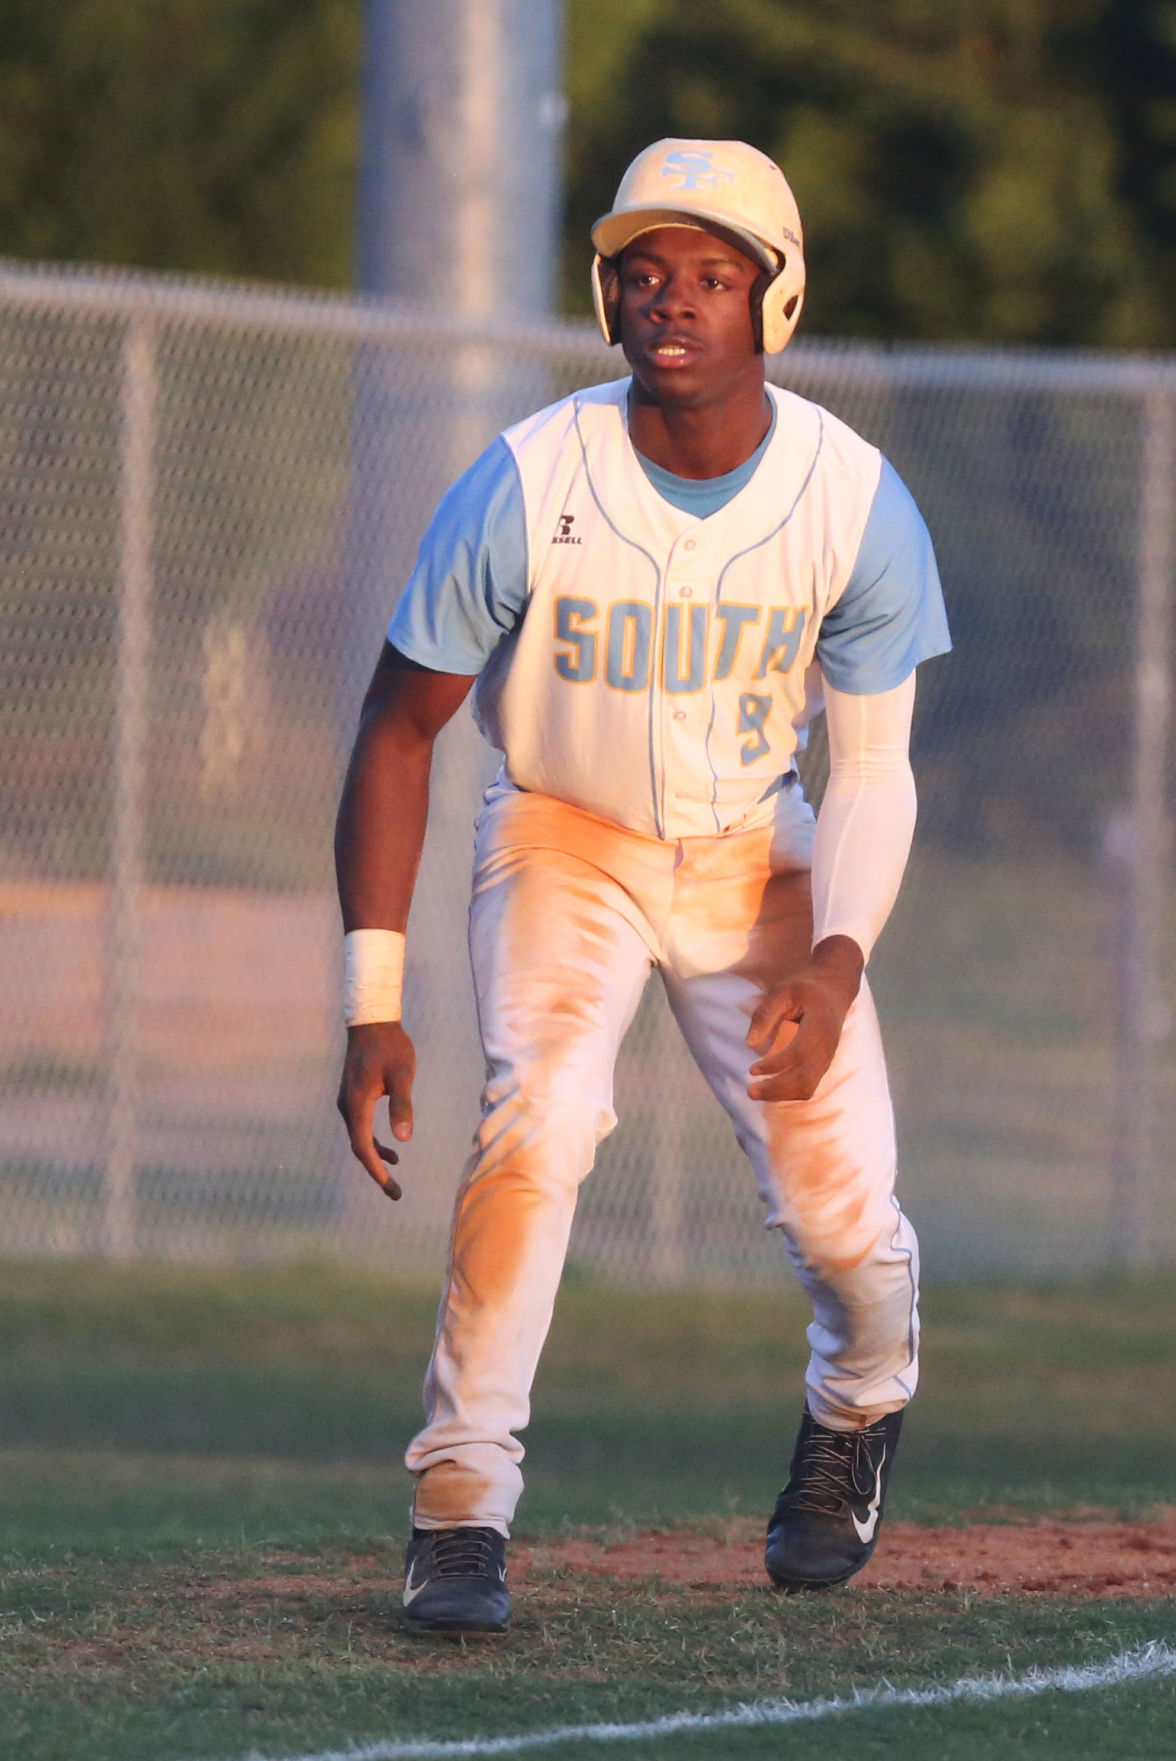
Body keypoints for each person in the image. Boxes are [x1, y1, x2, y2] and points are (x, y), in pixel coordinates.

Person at [335, 138, 950, 1636]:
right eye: (645, 272)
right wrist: (369, 1001)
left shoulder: (851, 498)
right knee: (537, 1111)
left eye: (715, 274)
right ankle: (460, 1504)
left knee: (843, 1222)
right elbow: (397, 727)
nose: (674, 298)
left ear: (775, 302)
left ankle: (861, 1399)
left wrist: (840, 954)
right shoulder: (531, 476)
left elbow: (873, 768)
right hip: (566, 830)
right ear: (604, 297)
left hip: (758, 848)